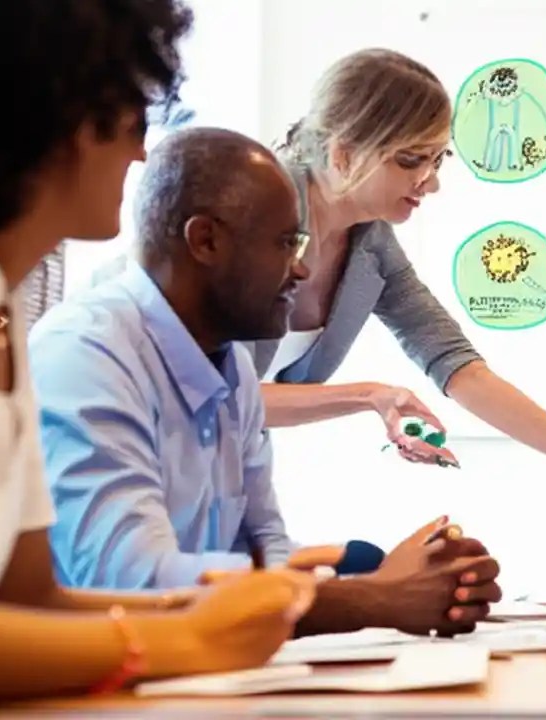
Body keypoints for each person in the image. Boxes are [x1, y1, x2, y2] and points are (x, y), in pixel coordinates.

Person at [0, 0, 322, 703]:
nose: (139, 148)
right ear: (60, 110)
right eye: (132, 114)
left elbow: (29, 594)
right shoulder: (71, 341)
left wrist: (234, 610)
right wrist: (180, 638)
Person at [29, 126, 502, 640]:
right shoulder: (86, 353)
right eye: (284, 243)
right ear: (204, 240)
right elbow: (135, 582)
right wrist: (373, 596)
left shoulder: (231, 364)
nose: (300, 269)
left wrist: (398, 579)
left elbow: (266, 548)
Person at [252, 48, 546, 539]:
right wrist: (370, 396)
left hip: (234, 468)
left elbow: (460, 367)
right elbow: (214, 394)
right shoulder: (253, 211)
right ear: (342, 153)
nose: (432, 182)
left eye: (438, 159)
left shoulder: (370, 244)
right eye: (411, 160)